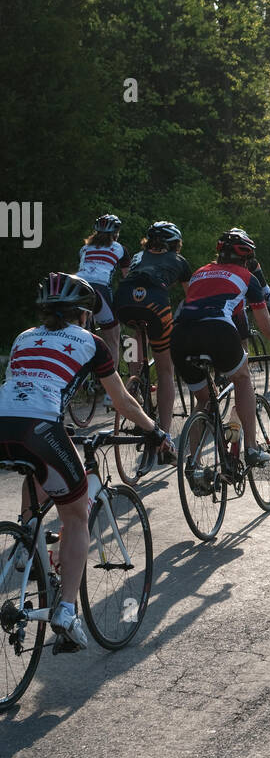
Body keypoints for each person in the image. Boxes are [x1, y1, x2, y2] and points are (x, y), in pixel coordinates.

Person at [0, 272, 174, 652]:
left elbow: (23, 389)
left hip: (3, 423)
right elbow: (123, 401)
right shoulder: (91, 343)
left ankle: (25, 544)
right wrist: (156, 431)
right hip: (40, 429)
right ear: (83, 315)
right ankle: (65, 611)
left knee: (35, 470)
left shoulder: (23, 337)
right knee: (76, 515)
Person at [171, 229, 270, 467]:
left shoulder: (200, 272)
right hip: (216, 330)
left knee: (204, 401)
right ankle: (251, 447)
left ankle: (195, 464)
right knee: (242, 377)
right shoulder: (248, 278)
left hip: (181, 335)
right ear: (247, 259)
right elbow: (265, 325)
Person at [115, 221, 192, 433]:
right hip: (155, 305)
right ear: (175, 243)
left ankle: (135, 379)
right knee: (166, 371)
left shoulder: (138, 257)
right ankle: (164, 436)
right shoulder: (179, 260)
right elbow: (193, 298)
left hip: (123, 301)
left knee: (137, 329)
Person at [75, 213, 131, 371]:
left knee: (77, 334)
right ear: (116, 233)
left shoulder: (84, 248)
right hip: (100, 289)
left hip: (77, 286)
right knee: (112, 337)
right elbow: (127, 277)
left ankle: (79, 377)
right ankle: (109, 389)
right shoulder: (120, 248)